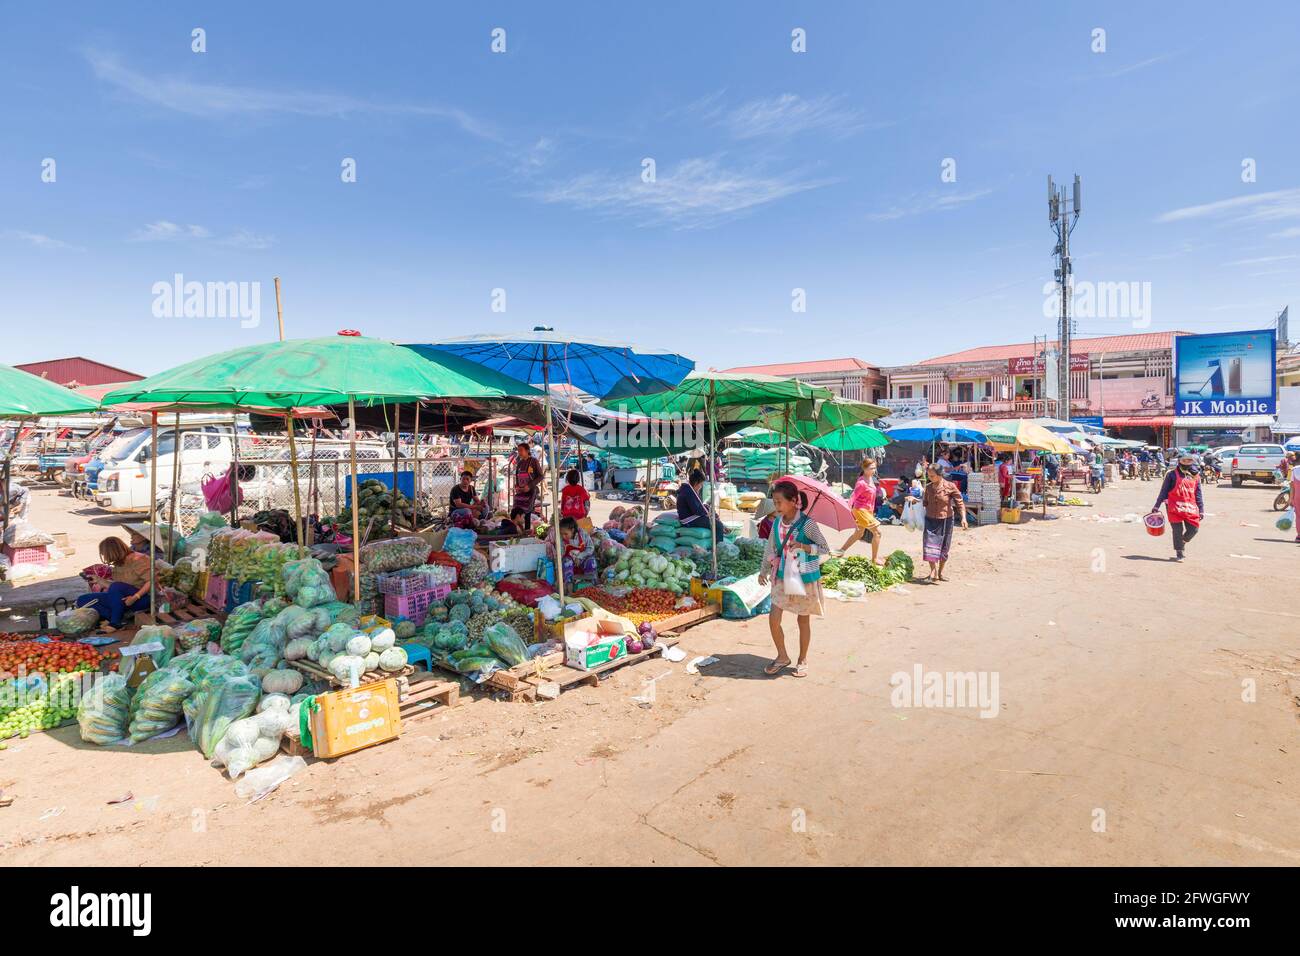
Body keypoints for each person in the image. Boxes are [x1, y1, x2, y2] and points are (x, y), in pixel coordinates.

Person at [757, 479, 829, 678]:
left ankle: (802, 659)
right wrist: (763, 570)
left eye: (779, 502)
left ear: (793, 501)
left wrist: (805, 547)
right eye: (775, 502)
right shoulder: (777, 522)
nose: (776, 506)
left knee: (802, 620)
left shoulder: (808, 525)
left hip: (804, 578)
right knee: (773, 618)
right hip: (781, 576)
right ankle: (782, 656)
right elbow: (770, 547)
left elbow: (825, 548)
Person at [72, 536, 167, 627]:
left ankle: (115, 623)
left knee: (116, 587)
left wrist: (135, 597)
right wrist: (98, 580)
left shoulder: (138, 559)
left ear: (112, 552)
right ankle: (116, 617)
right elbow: (116, 590)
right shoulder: (118, 564)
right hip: (123, 600)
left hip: (143, 599)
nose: (104, 556)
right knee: (82, 600)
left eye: (104, 553)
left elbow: (152, 580)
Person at [913, 463, 966, 582]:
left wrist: (963, 518)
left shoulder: (950, 486)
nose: (930, 478)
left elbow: (960, 503)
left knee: (944, 547)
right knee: (929, 546)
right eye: (929, 476)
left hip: (946, 520)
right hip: (930, 520)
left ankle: (940, 572)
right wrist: (914, 500)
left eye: (932, 476)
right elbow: (924, 503)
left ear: (940, 475)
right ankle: (933, 571)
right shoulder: (928, 487)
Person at [1151, 451, 1204, 561]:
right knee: (1177, 530)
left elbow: (1198, 493)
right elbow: (1164, 491)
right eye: (1184, 460)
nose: (1187, 462)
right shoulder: (1171, 474)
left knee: (1194, 529)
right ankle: (1179, 552)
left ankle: (1182, 541)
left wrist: (1201, 509)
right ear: (1179, 461)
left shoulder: (1195, 475)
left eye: (1189, 460)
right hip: (1173, 506)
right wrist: (1156, 506)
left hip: (1190, 507)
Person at [837, 458, 884, 563]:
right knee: (877, 533)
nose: (874, 470)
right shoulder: (861, 482)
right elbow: (853, 496)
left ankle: (841, 551)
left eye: (874, 468)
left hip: (868, 511)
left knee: (858, 534)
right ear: (864, 468)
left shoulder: (871, 479)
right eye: (871, 468)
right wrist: (847, 509)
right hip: (860, 510)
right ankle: (874, 559)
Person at [549, 516, 597, 586]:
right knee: (566, 562)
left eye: (565, 534)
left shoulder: (583, 534)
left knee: (591, 561)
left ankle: (591, 583)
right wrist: (557, 575)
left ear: (572, 530)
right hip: (569, 563)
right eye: (561, 534)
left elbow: (590, 548)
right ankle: (569, 585)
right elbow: (559, 556)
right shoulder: (561, 539)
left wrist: (580, 556)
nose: (563, 536)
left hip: (582, 559)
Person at [677, 470, 723, 540]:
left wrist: (709, 511)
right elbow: (697, 510)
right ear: (696, 483)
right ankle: (719, 547)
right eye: (701, 484)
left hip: (692, 516)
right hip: (689, 520)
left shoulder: (689, 490)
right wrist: (708, 512)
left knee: (714, 517)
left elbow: (699, 506)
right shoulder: (689, 492)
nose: (701, 487)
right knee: (718, 525)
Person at [511, 442, 544, 530]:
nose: (519, 452)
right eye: (518, 451)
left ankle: (527, 531)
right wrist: (517, 486)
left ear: (527, 450)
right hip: (520, 492)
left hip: (530, 491)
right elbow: (517, 477)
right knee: (516, 511)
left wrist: (529, 486)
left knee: (527, 512)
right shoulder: (520, 463)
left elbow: (541, 476)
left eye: (521, 450)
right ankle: (517, 530)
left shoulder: (534, 461)